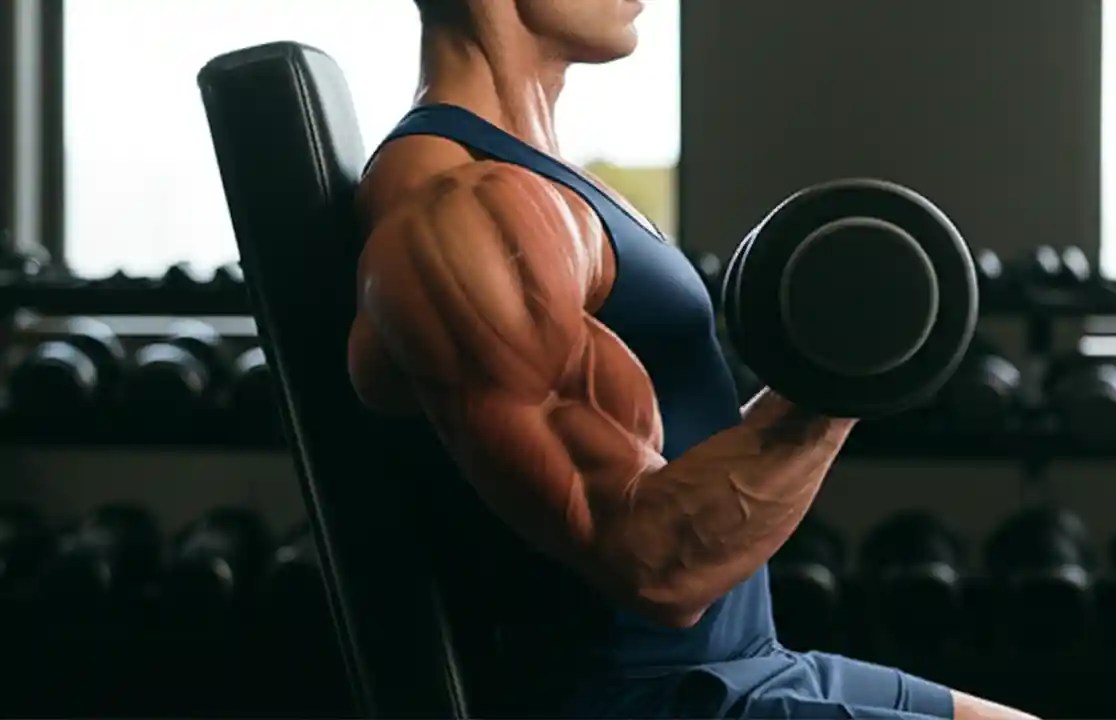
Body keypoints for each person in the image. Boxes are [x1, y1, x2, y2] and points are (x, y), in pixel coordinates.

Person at [347, 1, 1038, 718]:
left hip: (743, 664)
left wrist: (830, 383)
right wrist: (846, 380)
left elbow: (661, 460)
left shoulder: (546, 186)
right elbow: (653, 563)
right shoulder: (460, 212)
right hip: (646, 700)